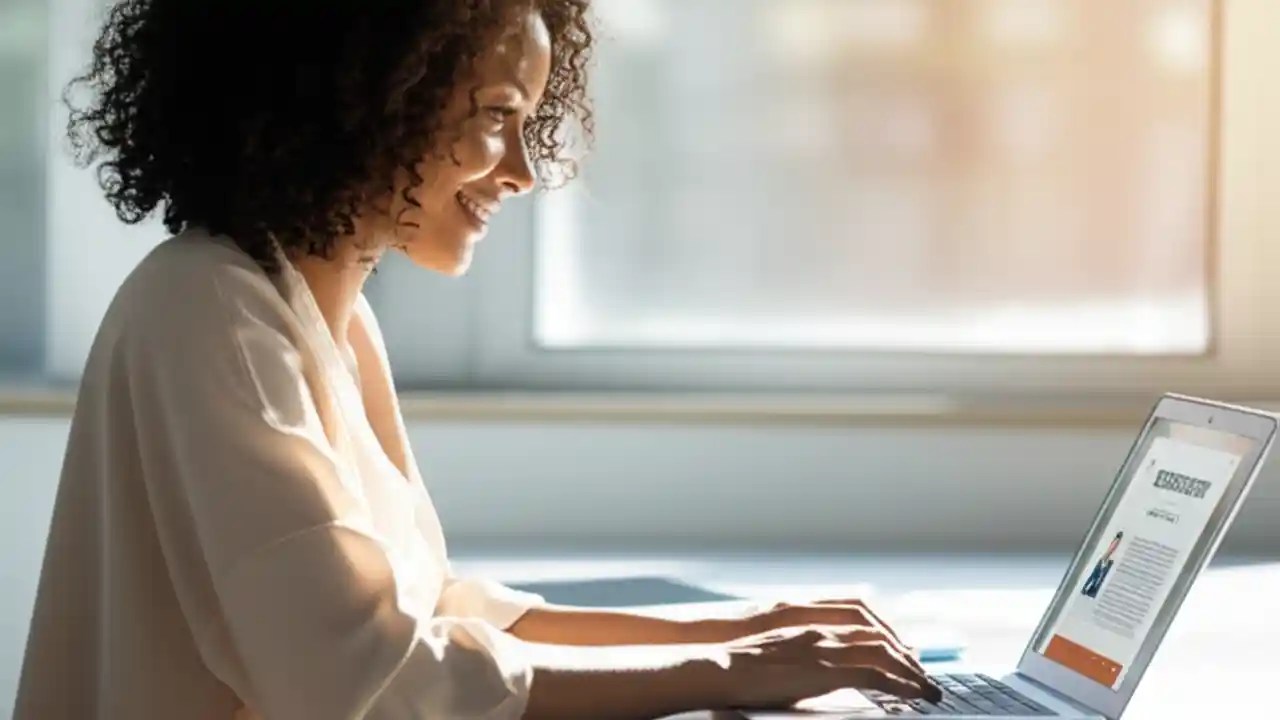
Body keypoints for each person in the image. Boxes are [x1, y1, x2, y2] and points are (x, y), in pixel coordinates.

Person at [15, 1, 942, 718]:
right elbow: (365, 675)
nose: (523, 171)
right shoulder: (208, 310)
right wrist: (728, 669)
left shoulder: (327, 317)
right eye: (498, 115)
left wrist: (745, 628)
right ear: (365, 95)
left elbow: (434, 611)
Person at [1081, 531, 1124, 599]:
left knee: (1108, 553)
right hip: (1100, 569)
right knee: (1108, 553)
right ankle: (1117, 539)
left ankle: (1117, 539)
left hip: (1100, 568)